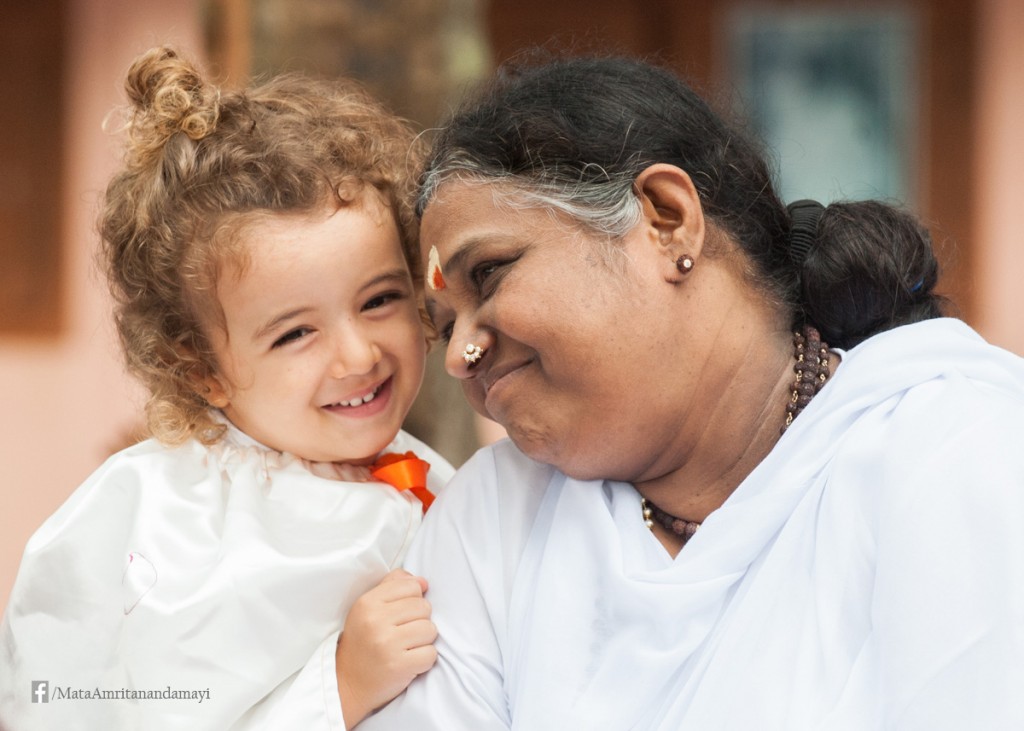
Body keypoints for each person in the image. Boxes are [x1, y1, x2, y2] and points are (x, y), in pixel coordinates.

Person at [361, 55, 1024, 729]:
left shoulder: (957, 450)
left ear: (665, 219)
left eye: (491, 274)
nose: (462, 355)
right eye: (446, 331)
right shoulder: (494, 513)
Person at [0, 46, 453, 731]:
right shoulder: (157, 521)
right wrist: (339, 685)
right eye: (295, 334)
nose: (359, 353)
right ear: (200, 369)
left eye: (380, 298)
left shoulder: (432, 482)